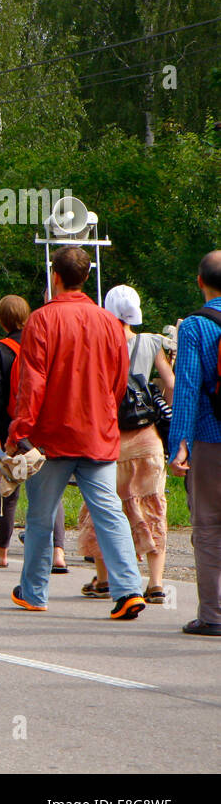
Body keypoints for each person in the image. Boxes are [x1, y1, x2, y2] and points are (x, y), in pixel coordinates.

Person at [7, 247, 147, 620]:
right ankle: (128, 588)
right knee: (109, 512)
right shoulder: (108, 323)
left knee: (40, 515)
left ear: (55, 275)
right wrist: (103, 414)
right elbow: (119, 382)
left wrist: (21, 429)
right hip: (97, 433)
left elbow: (32, 381)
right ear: (86, 277)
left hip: (52, 435)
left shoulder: (42, 320)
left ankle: (35, 591)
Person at [76, 285, 175, 603]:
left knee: (105, 508)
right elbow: (170, 382)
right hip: (147, 439)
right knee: (152, 505)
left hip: (110, 439)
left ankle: (104, 580)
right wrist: (163, 416)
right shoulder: (151, 342)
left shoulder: (95, 344)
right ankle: (156, 583)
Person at [0, 295, 68, 571]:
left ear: (1, 319)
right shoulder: (44, 343)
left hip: (13, 428)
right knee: (51, 489)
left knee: (8, 485)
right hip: (44, 426)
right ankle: (59, 554)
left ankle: (1, 551)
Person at [167, 251, 221, 636]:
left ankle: (214, 615)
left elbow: (185, 388)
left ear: (199, 281)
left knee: (209, 526)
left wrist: (179, 443)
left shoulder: (194, 327)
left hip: (210, 436)